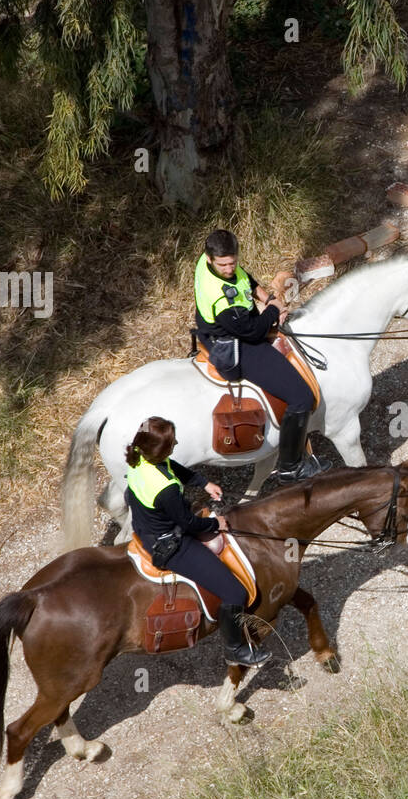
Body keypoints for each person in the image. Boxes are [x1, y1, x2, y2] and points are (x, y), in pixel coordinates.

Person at [124, 416, 270, 668]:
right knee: (235, 592)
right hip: (169, 545)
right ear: (157, 450)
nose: (176, 443)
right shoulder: (166, 489)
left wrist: (203, 483)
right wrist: (217, 524)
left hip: (144, 526)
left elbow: (172, 466)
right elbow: (189, 524)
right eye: (171, 443)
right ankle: (235, 649)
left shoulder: (139, 457)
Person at [193, 228, 329, 483]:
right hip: (235, 344)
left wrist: (266, 297)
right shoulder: (220, 295)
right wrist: (274, 309)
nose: (229, 269)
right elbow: (252, 332)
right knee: (301, 397)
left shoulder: (210, 260)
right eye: (223, 265)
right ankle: (290, 466)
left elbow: (246, 280)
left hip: (230, 327)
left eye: (233, 262)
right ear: (210, 259)